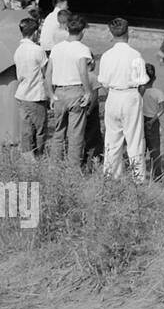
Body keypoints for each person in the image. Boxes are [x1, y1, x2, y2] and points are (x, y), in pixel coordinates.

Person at [96, 18, 148, 183]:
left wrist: (113, 92)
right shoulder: (135, 55)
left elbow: (103, 82)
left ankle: (111, 176)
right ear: (128, 32)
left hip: (113, 95)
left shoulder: (106, 56)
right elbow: (142, 82)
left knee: (112, 139)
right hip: (130, 95)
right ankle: (138, 178)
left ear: (111, 34)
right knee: (134, 139)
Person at [49, 14, 93, 171]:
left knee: (58, 132)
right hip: (75, 91)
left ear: (67, 29)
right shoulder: (82, 49)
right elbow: (83, 71)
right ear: (83, 32)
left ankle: (54, 166)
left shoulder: (56, 48)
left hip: (59, 92)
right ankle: (73, 169)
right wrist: (87, 92)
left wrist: (51, 94)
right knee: (75, 134)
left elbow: (48, 73)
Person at [13, 16, 51, 158]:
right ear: (35, 33)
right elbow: (47, 72)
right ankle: (39, 155)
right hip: (35, 95)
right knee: (40, 129)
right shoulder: (38, 50)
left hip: (22, 94)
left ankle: (27, 157)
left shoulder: (18, 50)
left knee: (26, 129)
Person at [140, 62, 164, 180]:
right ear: (154, 78)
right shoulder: (157, 93)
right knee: (154, 149)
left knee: (141, 148)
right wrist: (153, 120)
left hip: (140, 121)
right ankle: (156, 174)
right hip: (152, 121)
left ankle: (139, 172)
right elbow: (162, 109)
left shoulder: (139, 92)